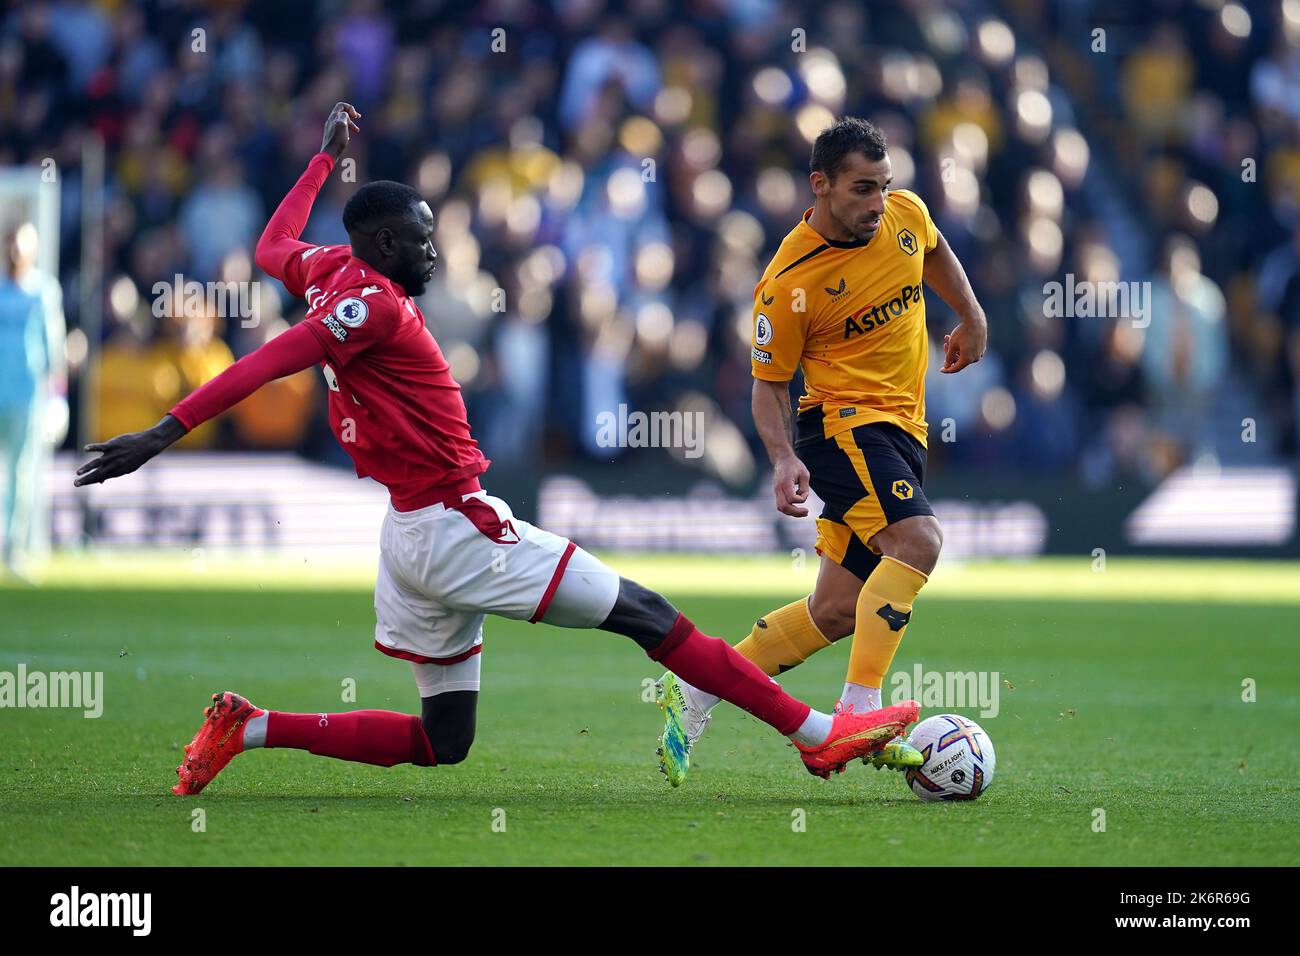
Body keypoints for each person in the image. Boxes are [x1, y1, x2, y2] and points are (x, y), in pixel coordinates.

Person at [75, 103, 920, 795]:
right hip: (457, 526)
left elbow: (269, 250)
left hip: (409, 539)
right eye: (419, 238)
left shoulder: (332, 267)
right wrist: (160, 434)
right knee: (648, 615)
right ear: (380, 246)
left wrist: (320, 165)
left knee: (445, 741)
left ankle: (248, 727)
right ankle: (816, 736)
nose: (434, 250)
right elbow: (265, 362)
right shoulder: (369, 305)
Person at [657, 117, 988, 786]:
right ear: (821, 185)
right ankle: (857, 712)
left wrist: (972, 314)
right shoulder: (789, 282)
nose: (877, 203)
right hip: (842, 429)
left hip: (904, 432)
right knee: (919, 542)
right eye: (862, 189)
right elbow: (767, 387)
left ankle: (696, 687)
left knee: (836, 611)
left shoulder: (903, 214)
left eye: (883, 186)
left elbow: (931, 247)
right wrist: (783, 459)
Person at [0, 221, 66, 580]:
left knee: (21, 475)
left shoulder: (42, 291)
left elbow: (54, 349)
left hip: (25, 395)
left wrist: (58, 399)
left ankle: (15, 548)